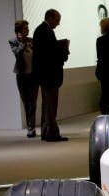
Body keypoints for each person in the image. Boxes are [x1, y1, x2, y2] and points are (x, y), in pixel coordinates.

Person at [32, 8, 69, 142]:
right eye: (57, 20)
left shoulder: (40, 30)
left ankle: (46, 131)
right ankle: (52, 133)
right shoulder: (45, 31)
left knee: (47, 105)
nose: (58, 24)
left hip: (45, 75)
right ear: (50, 18)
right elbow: (49, 55)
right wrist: (63, 53)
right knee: (51, 105)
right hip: (49, 75)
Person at [9, 20, 39, 138]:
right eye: (25, 29)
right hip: (22, 76)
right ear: (19, 31)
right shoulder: (14, 41)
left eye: (28, 28)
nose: (28, 30)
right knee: (26, 102)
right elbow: (17, 54)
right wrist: (22, 42)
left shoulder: (32, 40)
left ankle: (32, 127)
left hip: (33, 75)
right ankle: (30, 128)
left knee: (33, 103)